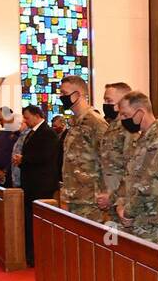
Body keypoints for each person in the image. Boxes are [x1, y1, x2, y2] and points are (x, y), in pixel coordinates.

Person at [112, 92, 158, 243]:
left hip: (151, 224)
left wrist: (127, 212)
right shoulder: (141, 139)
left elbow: (152, 185)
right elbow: (128, 176)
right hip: (135, 220)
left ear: (140, 112)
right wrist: (120, 203)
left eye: (125, 114)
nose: (121, 119)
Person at [57, 75, 109, 222]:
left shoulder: (95, 123)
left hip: (90, 201)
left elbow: (107, 159)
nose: (62, 97)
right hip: (73, 196)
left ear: (78, 95)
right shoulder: (74, 122)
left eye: (65, 94)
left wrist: (106, 193)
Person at [14, 104, 59, 266]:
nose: (25, 120)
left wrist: (23, 160)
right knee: (29, 221)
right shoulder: (32, 133)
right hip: (31, 183)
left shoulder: (48, 133)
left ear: (36, 115)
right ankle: (31, 254)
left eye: (27, 117)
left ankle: (39, 256)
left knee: (38, 223)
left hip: (42, 184)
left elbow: (44, 157)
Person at [98, 81, 133, 218]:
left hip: (122, 202)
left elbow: (131, 169)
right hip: (108, 200)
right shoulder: (111, 127)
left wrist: (114, 197)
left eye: (109, 100)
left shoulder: (129, 129)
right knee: (109, 239)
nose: (106, 105)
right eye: (105, 100)